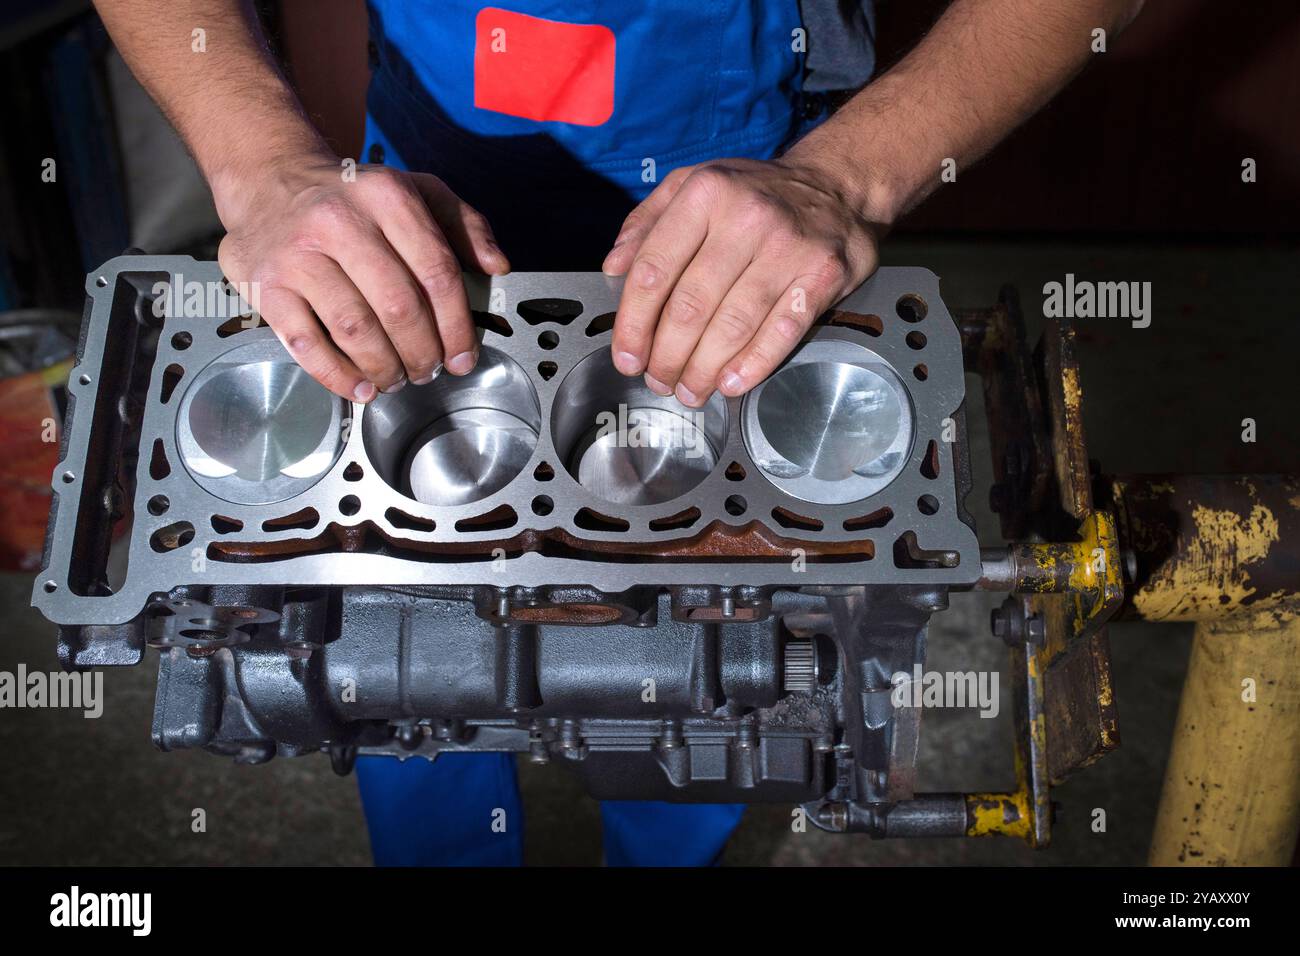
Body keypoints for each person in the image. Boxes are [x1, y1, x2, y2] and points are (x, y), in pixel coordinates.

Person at [95, 0, 1144, 865]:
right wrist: (266, 161)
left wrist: (846, 175)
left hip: (742, 228)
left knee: (715, 685)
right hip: (420, 198)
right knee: (396, 656)